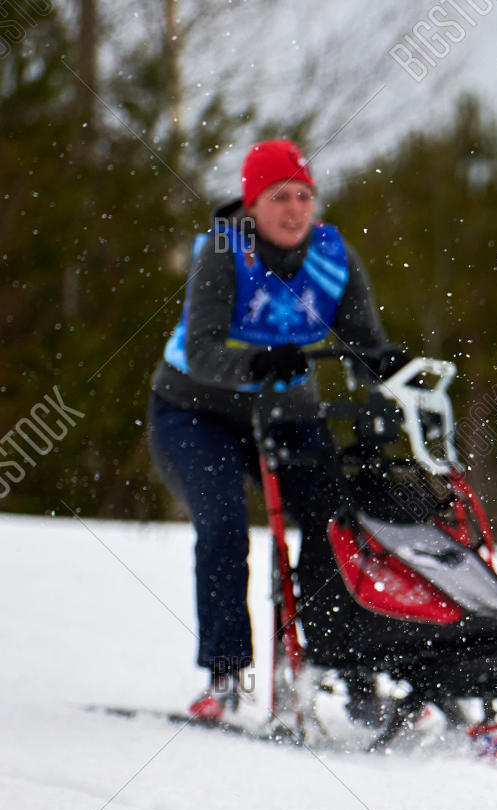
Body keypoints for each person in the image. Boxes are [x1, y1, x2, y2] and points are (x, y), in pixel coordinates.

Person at [148, 139, 406, 720]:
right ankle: (225, 675)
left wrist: (383, 367)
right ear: (251, 203)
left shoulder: (332, 254)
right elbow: (204, 348)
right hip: (196, 411)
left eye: (304, 196)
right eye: (279, 196)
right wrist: (258, 363)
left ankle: (336, 661)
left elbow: (364, 343)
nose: (294, 209)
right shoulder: (224, 249)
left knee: (334, 517)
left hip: (287, 412)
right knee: (223, 525)